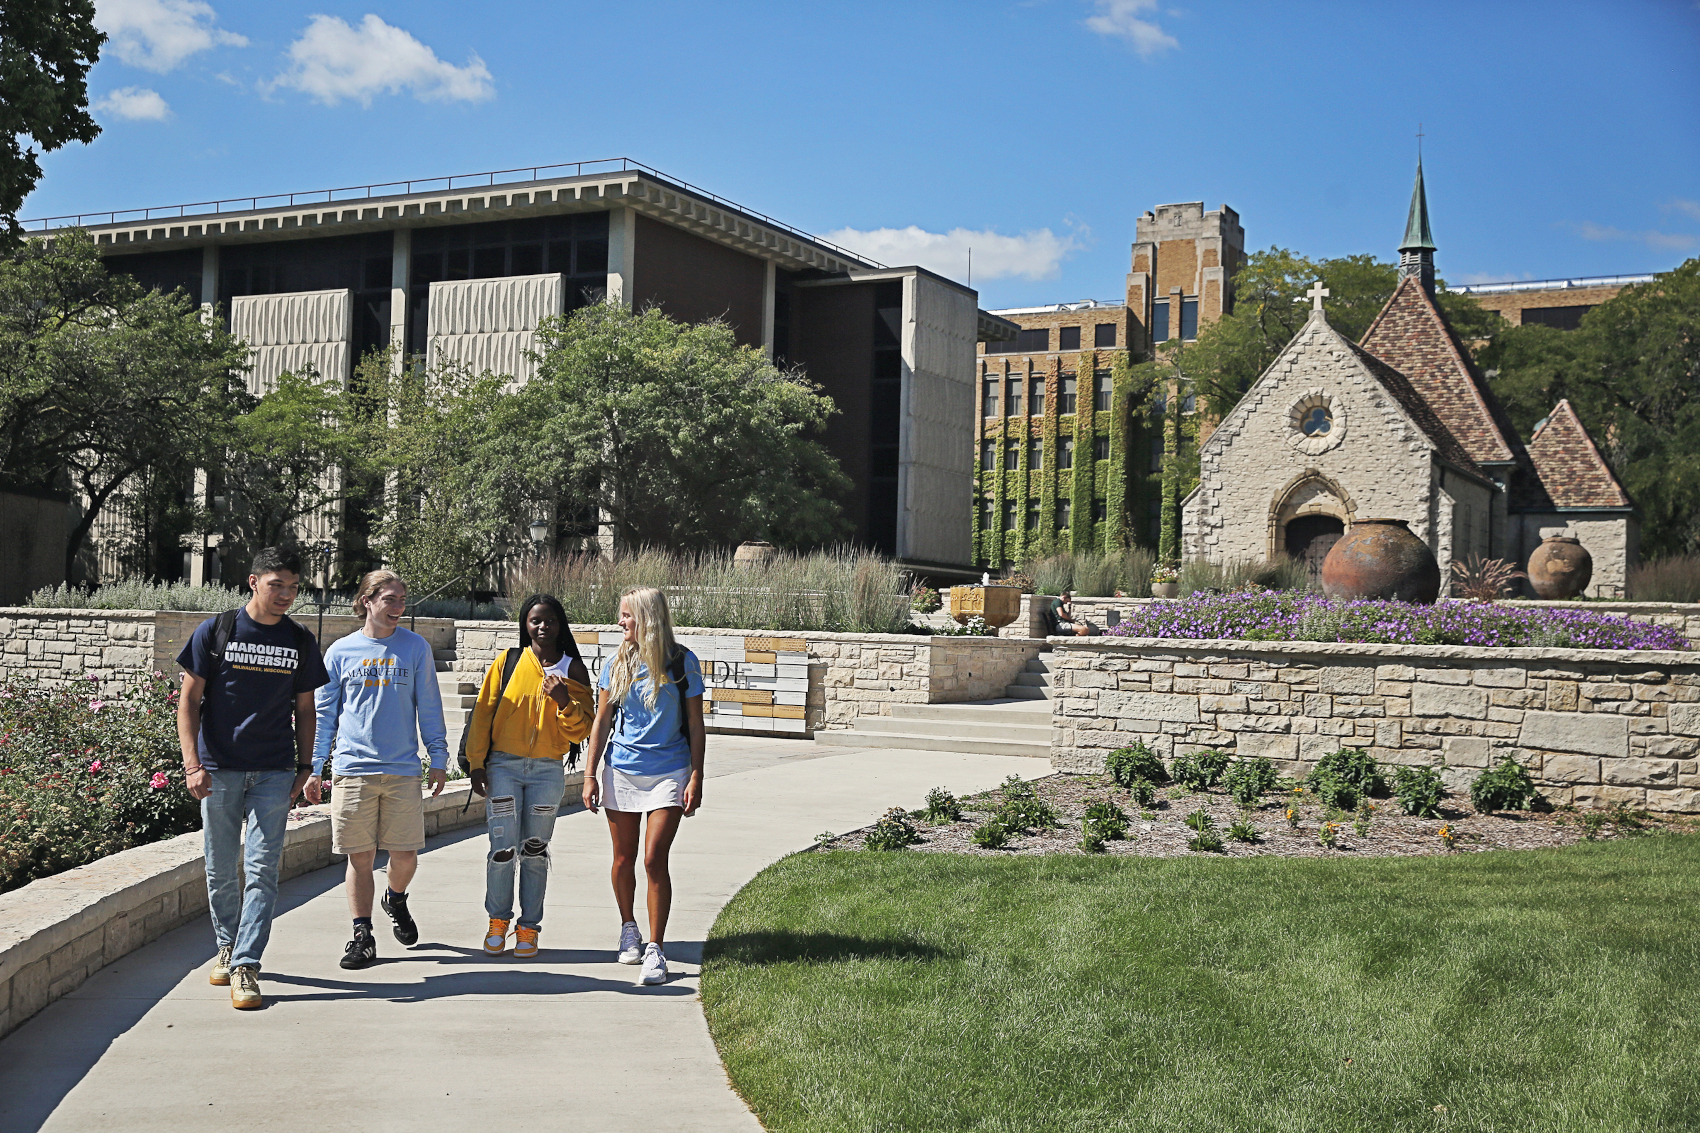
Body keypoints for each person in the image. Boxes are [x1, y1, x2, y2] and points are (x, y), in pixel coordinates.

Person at [177, 546, 329, 1010]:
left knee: (263, 871)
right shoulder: (217, 630)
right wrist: (192, 765)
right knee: (221, 869)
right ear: (253, 582)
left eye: (293, 587)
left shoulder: (299, 640)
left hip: (274, 771)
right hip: (218, 770)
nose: (286, 595)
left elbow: (306, 709)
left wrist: (306, 768)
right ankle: (227, 944)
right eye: (276, 585)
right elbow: (188, 702)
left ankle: (246, 964)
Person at [307, 570, 449, 970]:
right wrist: (315, 768)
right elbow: (324, 716)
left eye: (403, 600)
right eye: (390, 599)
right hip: (353, 770)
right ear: (367, 601)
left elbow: (430, 706)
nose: (399, 607)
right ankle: (362, 935)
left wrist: (438, 758)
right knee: (360, 857)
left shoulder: (415, 648)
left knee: (405, 856)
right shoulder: (339, 652)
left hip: (402, 769)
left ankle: (396, 897)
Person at [583, 587, 705, 986]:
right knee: (623, 858)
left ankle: (656, 948)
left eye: (626, 616)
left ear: (646, 618)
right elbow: (601, 721)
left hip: (670, 769)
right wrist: (590, 774)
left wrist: (697, 775)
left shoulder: (682, 662)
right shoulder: (616, 663)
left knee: (653, 858)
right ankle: (628, 927)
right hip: (621, 769)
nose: (620, 623)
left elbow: (696, 724)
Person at [466, 594, 595, 959]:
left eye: (549, 620)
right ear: (525, 624)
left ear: (560, 625)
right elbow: (484, 712)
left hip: (546, 771)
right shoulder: (508, 662)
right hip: (503, 767)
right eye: (535, 620)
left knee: (534, 851)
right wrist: (476, 762)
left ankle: (528, 928)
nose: (542, 626)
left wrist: (564, 702)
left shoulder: (573, 669)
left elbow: (581, 731)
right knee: (503, 850)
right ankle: (498, 921)